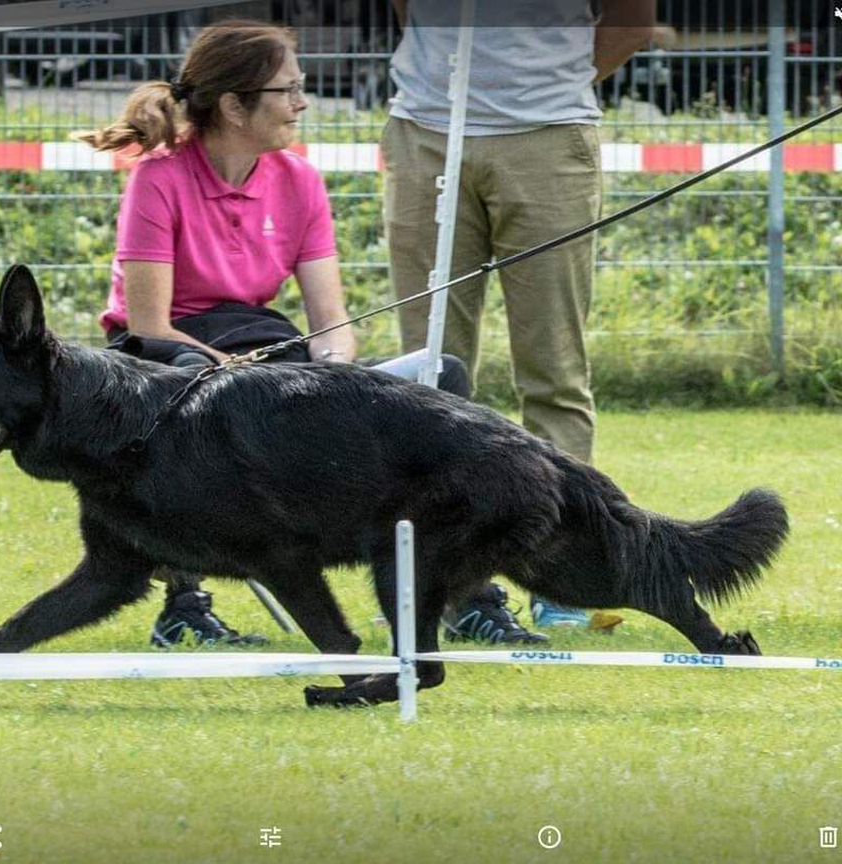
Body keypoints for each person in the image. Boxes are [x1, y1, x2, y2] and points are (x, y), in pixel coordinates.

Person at [80, 19, 470, 648]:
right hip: (168, 363)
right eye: (287, 90)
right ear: (234, 106)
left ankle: (449, 590)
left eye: (301, 87)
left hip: (271, 364)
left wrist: (330, 380)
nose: (302, 103)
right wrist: (240, 380)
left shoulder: (300, 180)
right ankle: (186, 603)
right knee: (182, 390)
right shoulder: (158, 176)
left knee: (440, 375)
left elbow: (333, 328)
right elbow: (151, 325)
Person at [383, 0, 656, 640]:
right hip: (425, 131)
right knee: (428, 375)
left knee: (553, 369)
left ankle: (563, 573)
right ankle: (444, 583)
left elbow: (632, 20)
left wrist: (543, 87)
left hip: (548, 137)